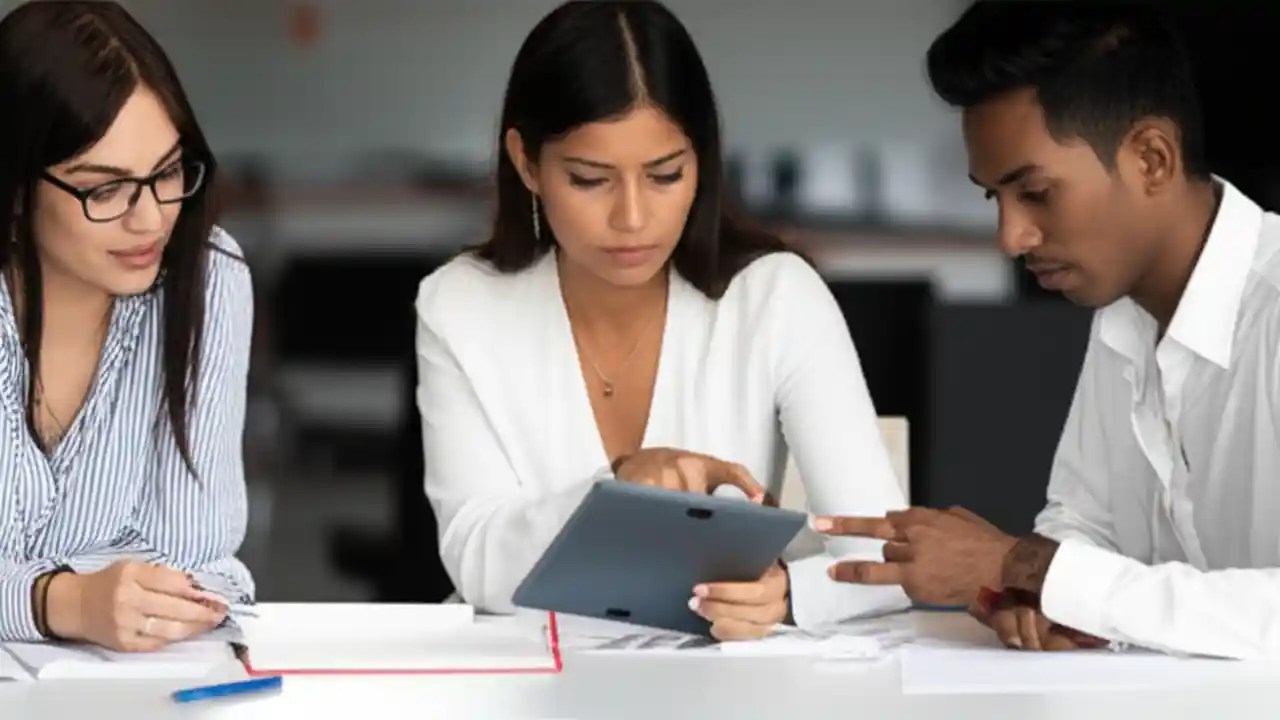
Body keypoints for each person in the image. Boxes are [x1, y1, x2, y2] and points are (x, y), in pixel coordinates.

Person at [415, 0, 909, 640]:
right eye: (591, 179)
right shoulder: (459, 305)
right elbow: (478, 564)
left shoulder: (775, 297)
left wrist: (785, 595)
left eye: (665, 175)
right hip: (521, 681)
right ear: (526, 162)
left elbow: (882, 555)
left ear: (701, 161)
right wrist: (618, 484)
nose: (632, 218)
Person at [815, 0, 1280, 660]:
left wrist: (1027, 567)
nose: (1011, 237)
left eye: (1036, 192)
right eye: (993, 197)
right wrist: (1043, 599)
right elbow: (1083, 520)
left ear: (1151, 159)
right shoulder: (1124, 311)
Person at [0, 1, 255, 652]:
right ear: (16, 186)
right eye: (105, 190)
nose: (150, 222)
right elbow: (118, 593)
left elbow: (193, 564)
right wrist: (58, 600)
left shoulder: (209, 278)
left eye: (168, 173)